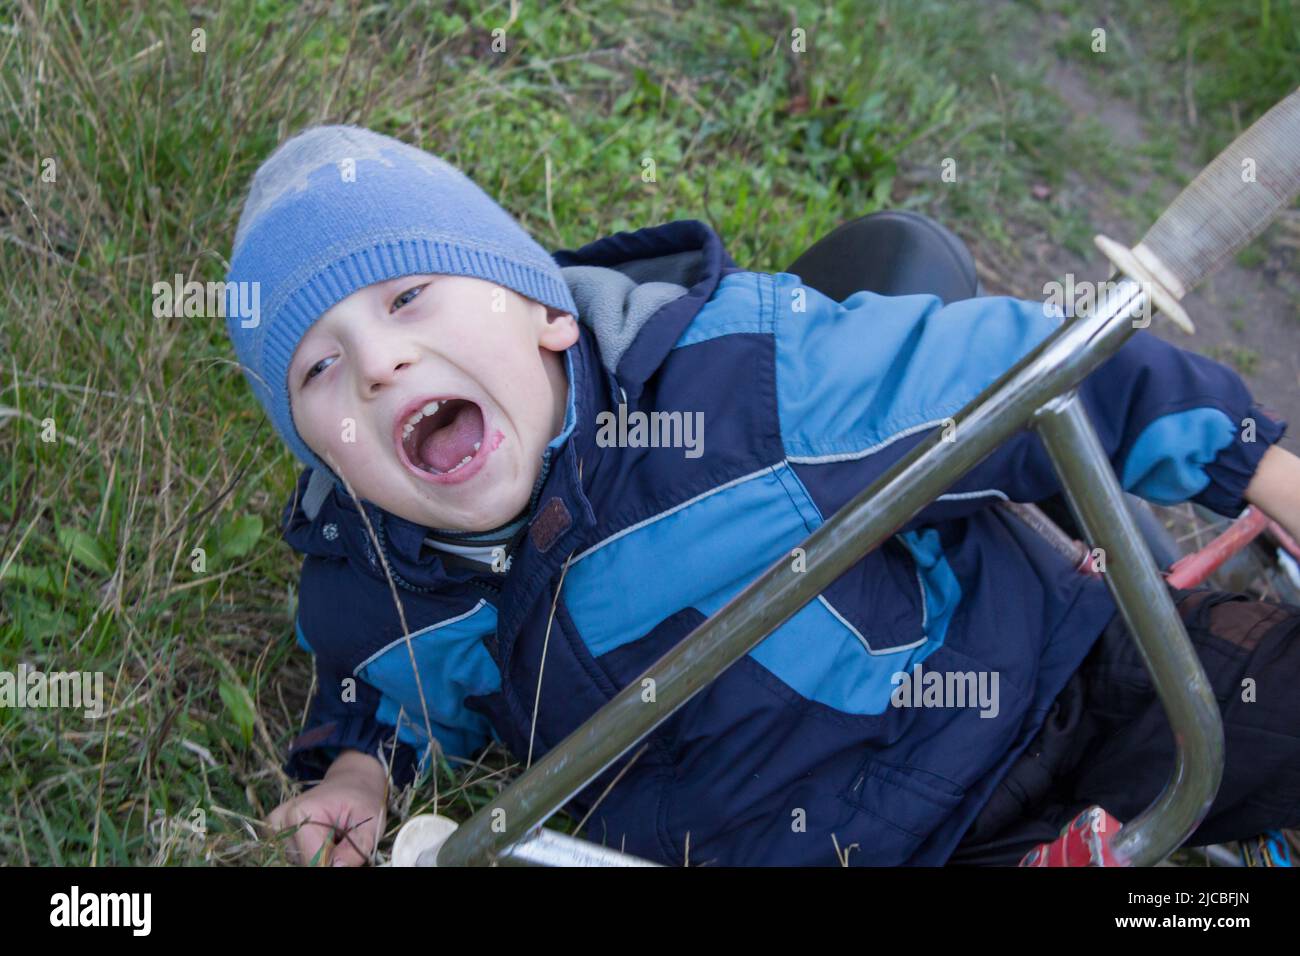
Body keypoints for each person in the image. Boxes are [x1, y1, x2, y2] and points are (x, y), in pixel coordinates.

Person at [223, 125, 1300, 866]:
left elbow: (1027, 378)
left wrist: (1258, 465)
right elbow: (393, 693)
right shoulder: (387, 583)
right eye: (319, 368)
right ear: (330, 458)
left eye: (411, 296)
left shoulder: (743, 384)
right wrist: (360, 771)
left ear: (546, 310)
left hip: (1055, 681)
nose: (379, 365)